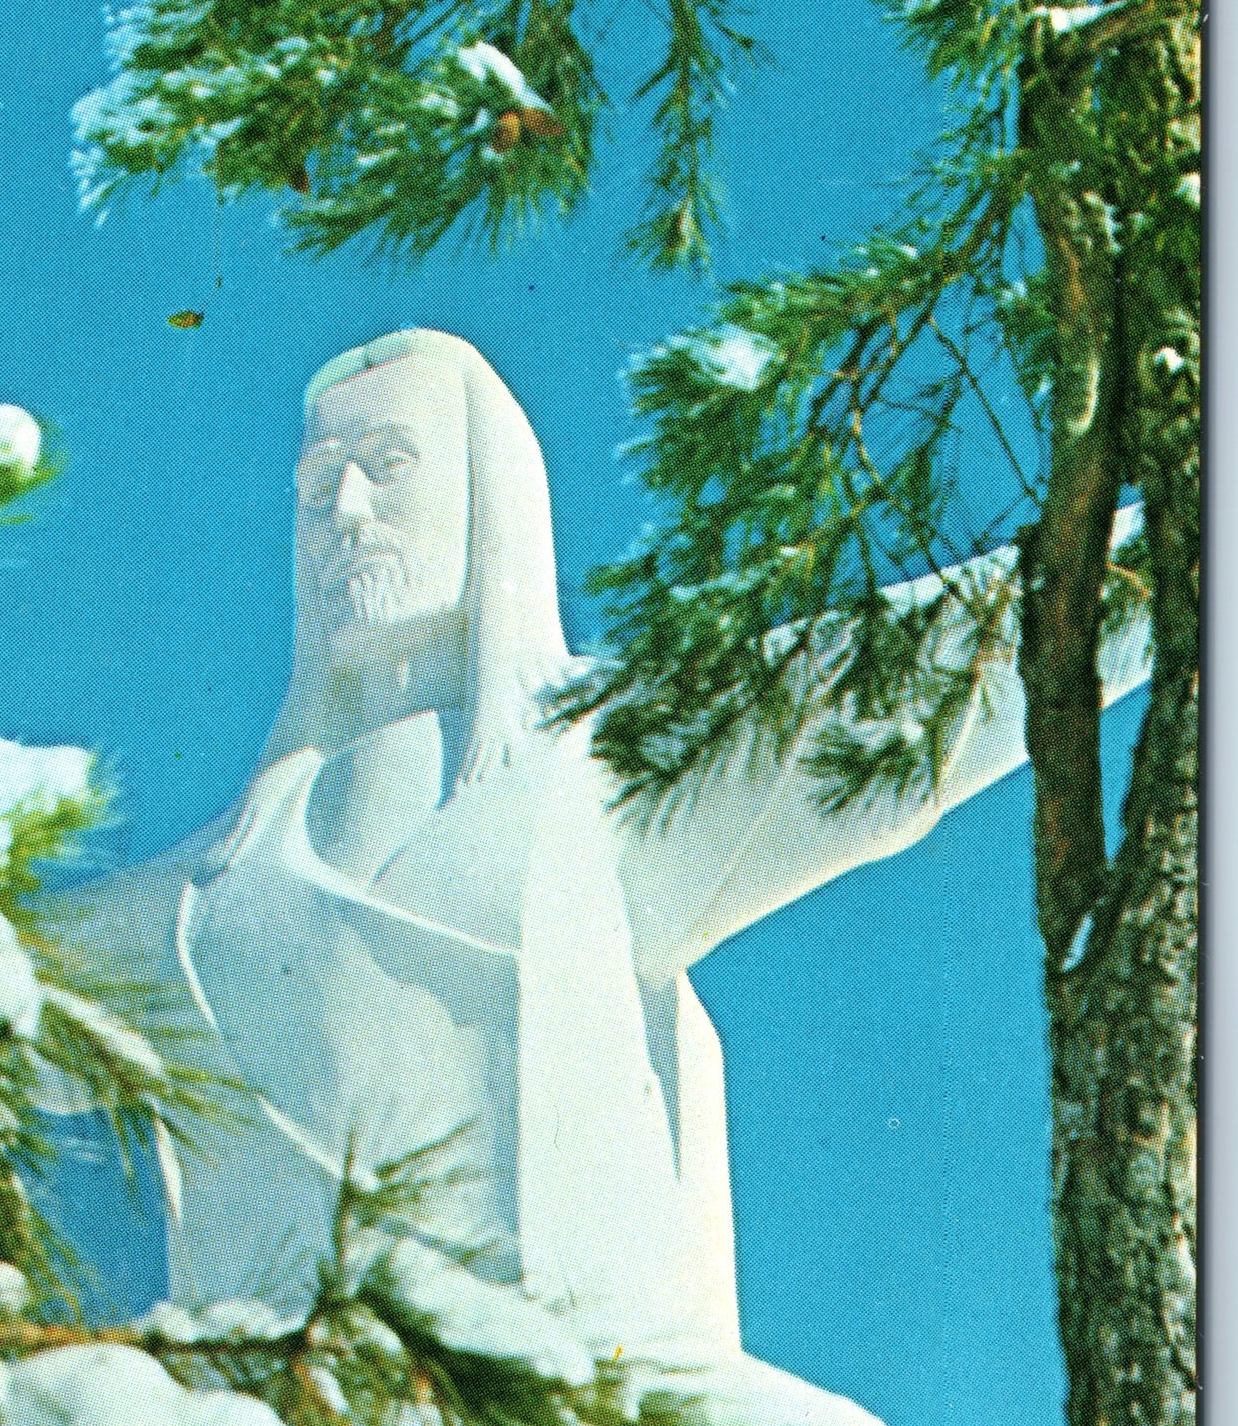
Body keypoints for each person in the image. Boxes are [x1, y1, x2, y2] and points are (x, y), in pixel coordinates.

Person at [61, 328, 1150, 1359]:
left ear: (493, 495)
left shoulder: (603, 763)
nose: (342, 510)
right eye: (313, 487)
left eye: (388, 464)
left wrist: (1185, 547)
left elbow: (899, 671)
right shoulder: (201, 897)